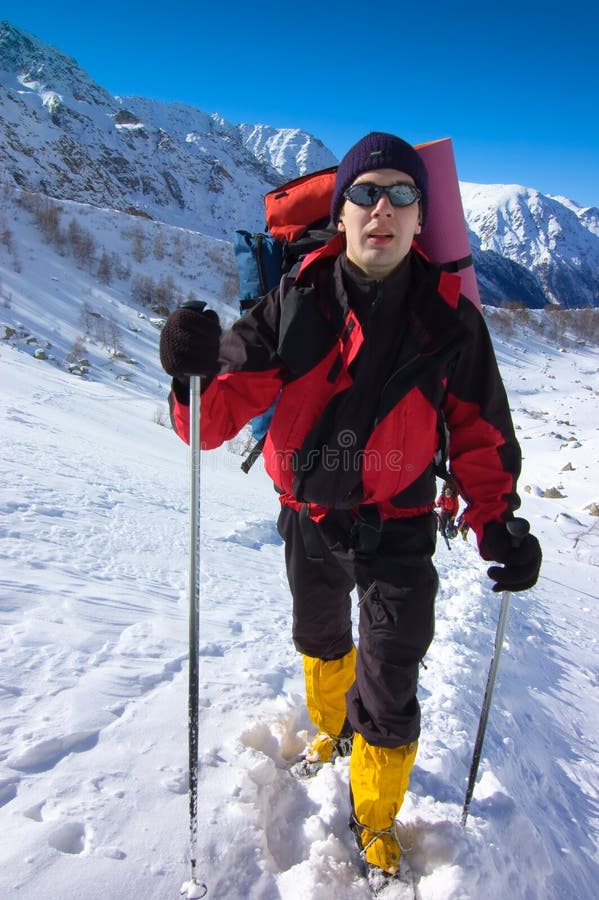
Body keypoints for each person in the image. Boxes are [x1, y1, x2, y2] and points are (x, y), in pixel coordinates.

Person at [159, 132, 542, 889]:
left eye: (402, 194)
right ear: (340, 215)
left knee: (391, 676)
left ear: (418, 217)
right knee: (321, 636)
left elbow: (479, 431)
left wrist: (496, 523)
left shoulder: (449, 320)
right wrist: (189, 374)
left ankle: (373, 815)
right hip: (310, 514)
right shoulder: (294, 302)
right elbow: (210, 422)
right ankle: (329, 730)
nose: (382, 208)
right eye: (365, 193)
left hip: (400, 522)